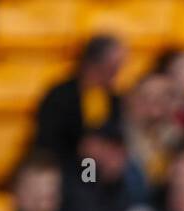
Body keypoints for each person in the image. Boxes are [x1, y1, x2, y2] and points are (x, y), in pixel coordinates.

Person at [33, 34, 126, 176]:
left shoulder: (113, 99)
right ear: (93, 63)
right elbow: (47, 141)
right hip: (64, 170)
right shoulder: (60, 96)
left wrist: (108, 152)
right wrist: (81, 148)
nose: (116, 74)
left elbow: (117, 137)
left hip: (96, 174)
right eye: (113, 67)